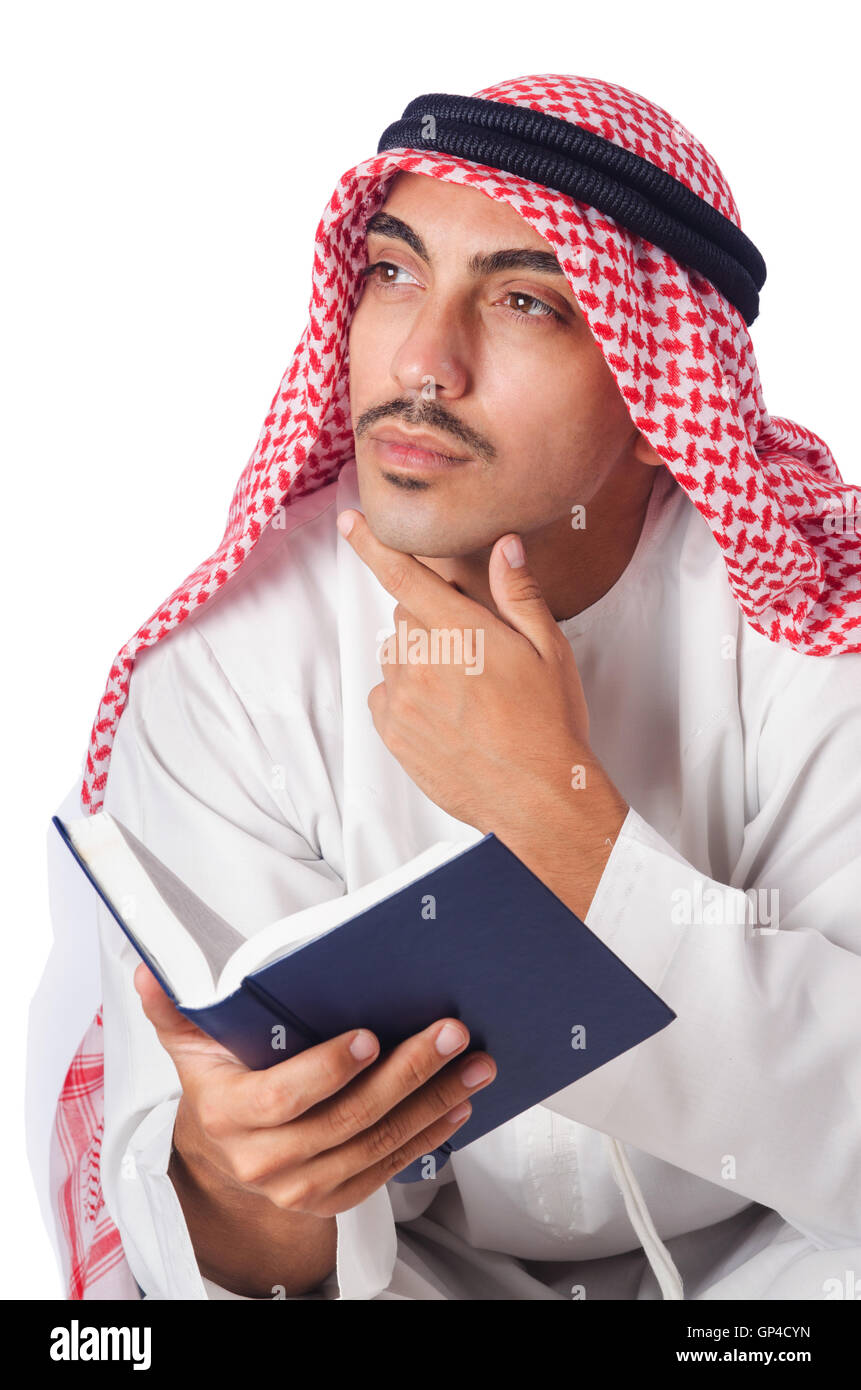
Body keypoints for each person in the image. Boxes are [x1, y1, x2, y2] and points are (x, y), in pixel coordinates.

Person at [30, 73, 861, 1302]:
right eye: (394, 273)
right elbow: (253, 1254)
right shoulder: (231, 671)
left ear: (660, 394)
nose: (423, 360)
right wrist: (243, 1178)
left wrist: (561, 821)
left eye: (524, 301)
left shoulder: (814, 632)